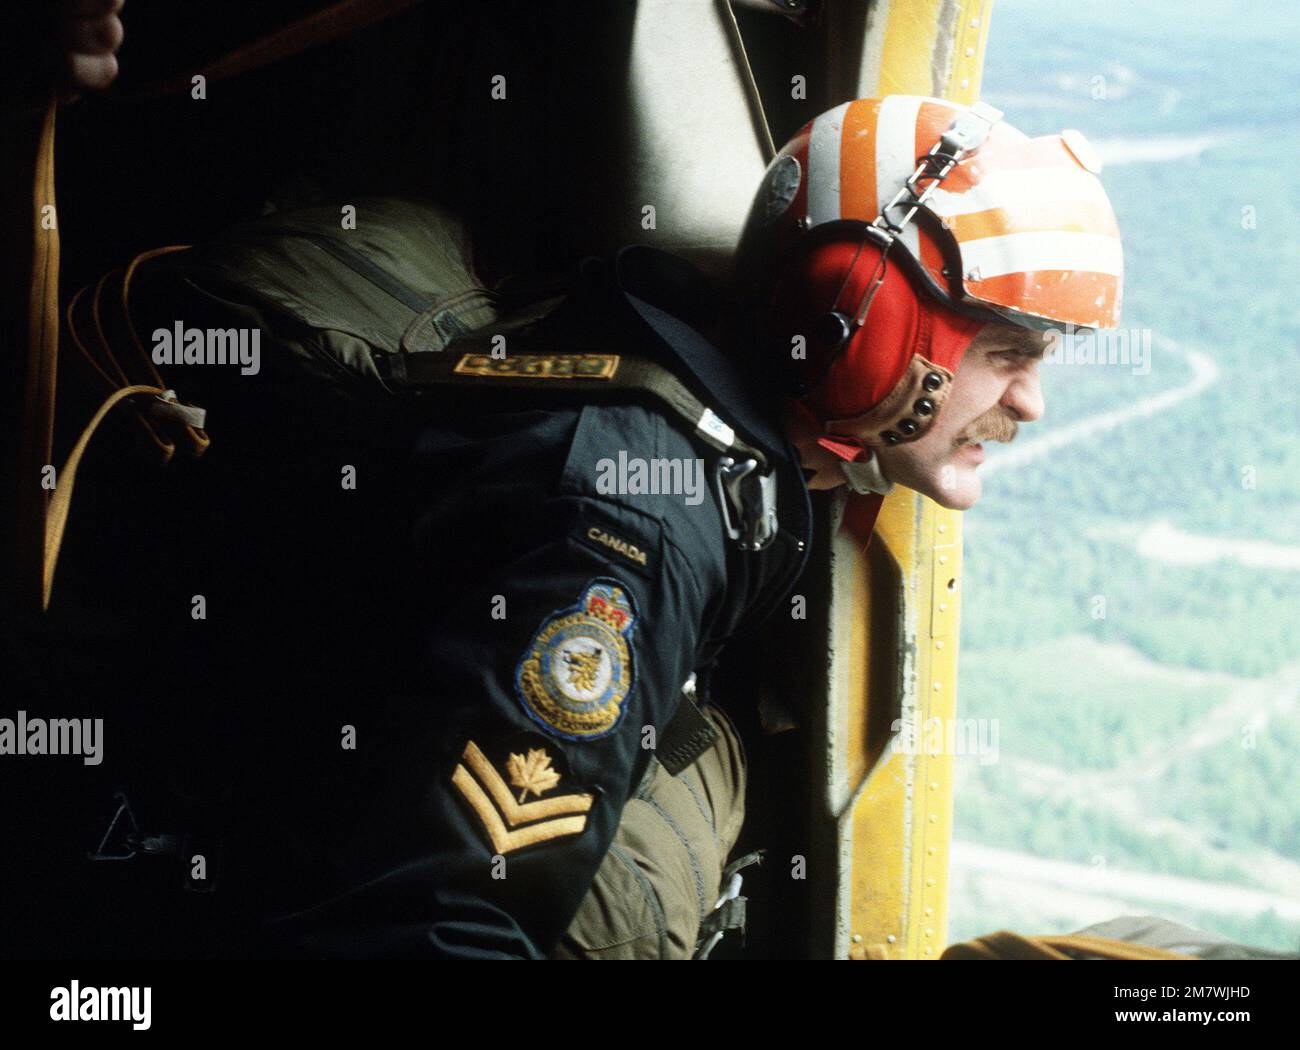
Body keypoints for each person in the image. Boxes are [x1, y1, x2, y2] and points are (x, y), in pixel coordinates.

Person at [13, 7, 1127, 961]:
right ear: (857, 326)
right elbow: (433, 929)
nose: (1028, 403)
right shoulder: (638, 517)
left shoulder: (677, 397)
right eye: (1006, 354)